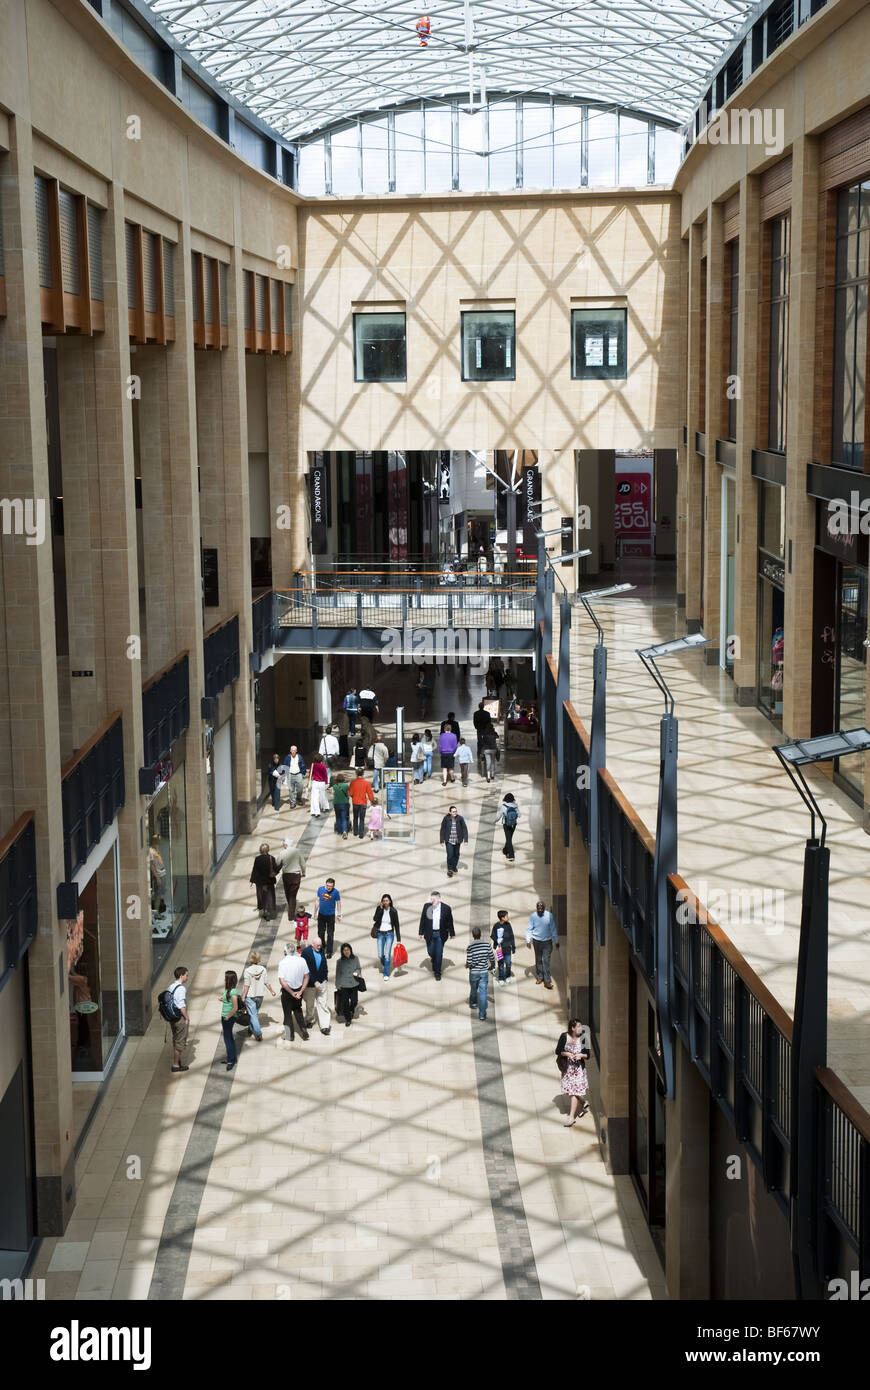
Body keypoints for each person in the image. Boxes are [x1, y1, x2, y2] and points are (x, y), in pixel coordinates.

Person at [557, 1019, 591, 1125]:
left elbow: (588, 1055)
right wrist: (567, 1054)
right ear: (572, 1028)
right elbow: (558, 1051)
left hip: (578, 1069)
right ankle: (582, 1104)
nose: (581, 1028)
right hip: (567, 1068)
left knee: (573, 1093)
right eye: (579, 1026)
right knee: (569, 1091)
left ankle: (571, 1117)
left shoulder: (584, 1038)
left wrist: (580, 1055)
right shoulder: (564, 1036)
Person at [418, 891, 455, 981]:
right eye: (431, 899)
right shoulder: (428, 907)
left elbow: (450, 922)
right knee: (430, 951)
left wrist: (452, 933)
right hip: (429, 933)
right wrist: (420, 933)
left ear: (439, 899)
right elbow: (423, 919)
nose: (431, 901)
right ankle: (433, 959)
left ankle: (437, 973)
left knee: (439, 954)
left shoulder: (446, 908)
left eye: (433, 899)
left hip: (440, 934)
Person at [276, 944, 309, 1046]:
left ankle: (290, 1035)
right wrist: (300, 991)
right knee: (298, 1009)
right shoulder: (301, 960)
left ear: (285, 952)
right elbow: (306, 976)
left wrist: (291, 992)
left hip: (287, 992)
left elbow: (282, 981)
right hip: (299, 990)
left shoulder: (282, 963)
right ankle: (303, 1030)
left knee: (287, 1013)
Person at [241, 951, 276, 1041]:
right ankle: (251, 1028)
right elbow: (266, 982)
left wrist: (243, 996)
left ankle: (258, 1033)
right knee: (254, 1013)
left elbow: (246, 985)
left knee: (253, 1015)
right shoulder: (263, 969)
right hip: (260, 995)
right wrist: (272, 991)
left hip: (250, 996)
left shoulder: (247, 971)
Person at [526, 900, 559, 989]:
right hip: (536, 941)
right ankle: (540, 977)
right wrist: (528, 940)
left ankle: (547, 981)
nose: (540, 910)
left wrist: (556, 940)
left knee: (546, 961)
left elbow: (553, 928)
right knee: (538, 959)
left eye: (541, 908)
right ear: (536, 908)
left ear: (544, 908)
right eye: (538, 908)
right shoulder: (533, 916)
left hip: (547, 942)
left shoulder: (549, 916)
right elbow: (529, 929)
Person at [301, 937, 331, 1035]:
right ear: (312, 945)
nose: (319, 947)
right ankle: (310, 1020)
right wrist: (314, 982)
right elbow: (305, 970)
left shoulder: (321, 950)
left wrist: (325, 977)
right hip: (310, 984)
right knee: (310, 1004)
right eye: (317, 945)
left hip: (322, 982)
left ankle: (325, 1026)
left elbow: (324, 963)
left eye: (320, 945)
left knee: (323, 1003)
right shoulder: (306, 953)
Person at [466, 927, 495, 1021]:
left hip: (474, 972)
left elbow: (469, 962)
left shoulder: (470, 947)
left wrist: (468, 966)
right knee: (483, 993)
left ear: (473, 935)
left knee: (473, 989)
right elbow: (492, 957)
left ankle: (473, 1003)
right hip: (484, 972)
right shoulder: (487, 945)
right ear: (480, 934)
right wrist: (492, 966)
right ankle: (482, 1014)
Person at [273, 836, 306, 920]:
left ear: (286, 844)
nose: (283, 845)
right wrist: (303, 872)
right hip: (296, 875)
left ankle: (291, 914)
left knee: (288, 893)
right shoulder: (297, 851)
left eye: (283, 844)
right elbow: (303, 864)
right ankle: (291, 911)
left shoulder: (282, 853)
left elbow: (277, 863)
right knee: (293, 895)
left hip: (286, 876)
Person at [372, 893, 401, 979]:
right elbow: (375, 919)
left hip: (389, 934)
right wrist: (380, 909)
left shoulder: (393, 911)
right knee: (380, 955)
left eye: (387, 900)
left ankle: (386, 973)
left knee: (387, 955)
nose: (385, 902)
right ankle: (386, 963)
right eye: (384, 901)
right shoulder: (379, 908)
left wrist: (398, 939)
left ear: (390, 901)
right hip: (380, 933)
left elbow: (397, 925)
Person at [167, 965, 190, 1073]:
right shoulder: (181, 989)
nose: (187, 977)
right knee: (180, 1040)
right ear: (181, 976)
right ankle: (176, 1065)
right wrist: (187, 1018)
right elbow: (181, 1006)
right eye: (186, 975)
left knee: (176, 1038)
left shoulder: (171, 986)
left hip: (172, 1017)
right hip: (179, 1018)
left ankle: (178, 1060)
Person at [335, 943, 363, 1027]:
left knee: (354, 1001)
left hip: (354, 984)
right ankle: (348, 1019)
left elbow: (359, 968)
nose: (346, 952)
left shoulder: (356, 958)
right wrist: (338, 985)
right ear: (342, 952)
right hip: (344, 985)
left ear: (350, 950)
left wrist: (357, 972)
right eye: (344, 950)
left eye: (348, 950)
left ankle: (351, 1010)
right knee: (345, 1003)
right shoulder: (339, 962)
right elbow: (338, 974)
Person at [250, 842, 278, 920]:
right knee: (269, 896)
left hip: (260, 882)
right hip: (269, 881)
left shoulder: (257, 859)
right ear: (268, 849)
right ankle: (269, 910)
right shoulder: (271, 858)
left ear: (260, 850)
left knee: (261, 896)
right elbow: (275, 869)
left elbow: (255, 870)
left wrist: (252, 881)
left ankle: (263, 910)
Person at [314, 878, 342, 957]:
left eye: (331, 886)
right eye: (327, 885)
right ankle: (322, 947)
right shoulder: (320, 889)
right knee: (320, 932)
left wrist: (339, 914)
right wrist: (315, 913)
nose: (329, 888)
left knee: (330, 933)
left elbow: (338, 903)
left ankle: (329, 951)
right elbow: (317, 901)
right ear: (325, 884)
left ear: (333, 886)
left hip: (330, 916)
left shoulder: (336, 892)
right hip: (321, 915)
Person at [220, 969, 241, 1071]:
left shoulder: (233, 991)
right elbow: (228, 1001)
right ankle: (232, 1058)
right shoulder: (228, 990)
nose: (224, 979)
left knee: (227, 1040)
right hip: (225, 1017)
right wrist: (222, 999)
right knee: (229, 1038)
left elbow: (235, 1007)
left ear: (229, 980)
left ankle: (231, 1061)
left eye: (225, 978)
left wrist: (228, 1016)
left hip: (228, 1018)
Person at [439, 804, 468, 877]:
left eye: (456, 811)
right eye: (453, 812)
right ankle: (450, 869)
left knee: (456, 854)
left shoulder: (460, 818)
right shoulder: (446, 818)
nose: (455, 813)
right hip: (449, 840)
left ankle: (454, 866)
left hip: (457, 840)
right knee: (450, 855)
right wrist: (441, 840)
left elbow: (464, 829)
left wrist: (466, 840)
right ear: (450, 812)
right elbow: (442, 829)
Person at [491, 910, 516, 984]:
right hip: (499, 949)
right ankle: (501, 978)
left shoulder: (508, 925)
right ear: (502, 918)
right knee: (501, 964)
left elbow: (512, 936)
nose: (508, 917)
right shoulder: (496, 926)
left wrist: (513, 946)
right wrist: (497, 940)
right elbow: (492, 935)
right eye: (506, 916)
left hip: (507, 948)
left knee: (508, 963)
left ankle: (507, 976)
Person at [349, 770, 376, 838]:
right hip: (363, 802)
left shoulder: (353, 782)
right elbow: (370, 793)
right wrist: (372, 801)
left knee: (355, 817)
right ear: (363, 774)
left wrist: (354, 796)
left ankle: (355, 832)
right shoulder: (366, 783)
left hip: (355, 802)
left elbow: (350, 793)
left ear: (356, 774)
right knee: (362, 818)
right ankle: (361, 834)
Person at [496, 793, 519, 862]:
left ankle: (511, 855)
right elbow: (519, 814)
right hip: (514, 824)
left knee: (508, 839)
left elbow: (499, 816)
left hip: (506, 824)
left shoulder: (504, 806)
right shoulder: (515, 806)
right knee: (509, 838)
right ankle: (505, 850)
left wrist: (494, 820)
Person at [473, 700, 493, 772]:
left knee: (479, 740)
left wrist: (476, 727)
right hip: (485, 729)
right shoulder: (487, 713)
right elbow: (489, 721)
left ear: (479, 707)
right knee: (485, 739)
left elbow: (474, 721)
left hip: (479, 728)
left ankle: (479, 751)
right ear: (483, 706)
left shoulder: (476, 713)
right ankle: (484, 750)